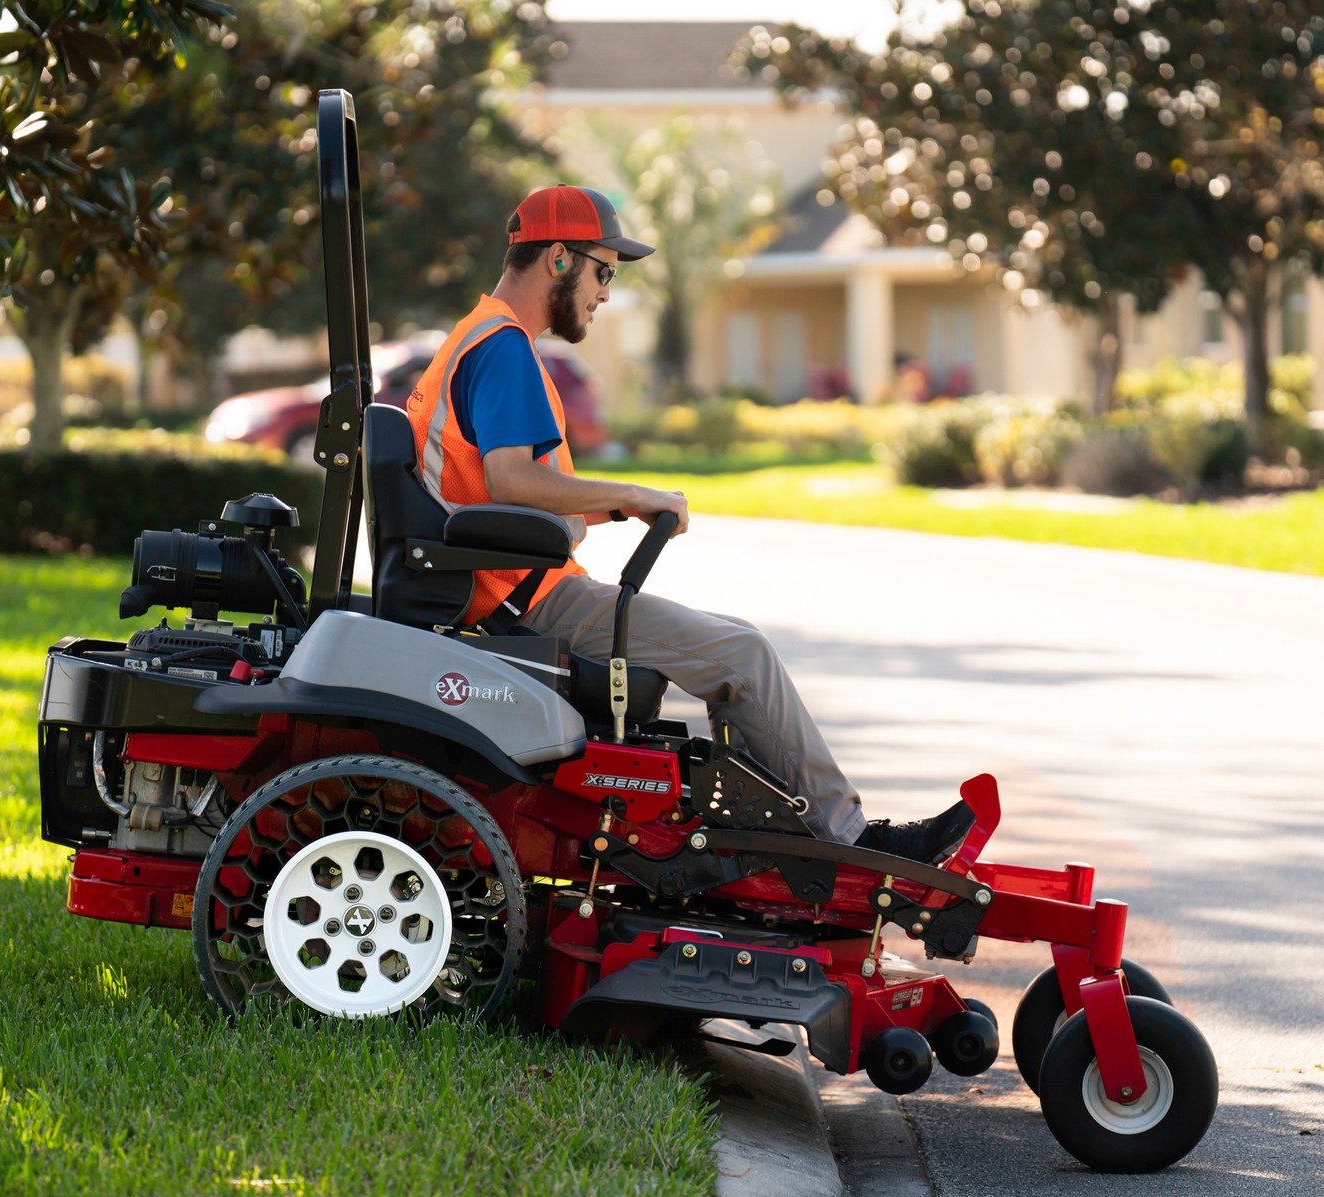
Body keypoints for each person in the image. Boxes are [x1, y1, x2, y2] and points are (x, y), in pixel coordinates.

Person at [404, 185, 963, 863]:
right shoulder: (504, 349)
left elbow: (507, 494)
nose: (605, 293)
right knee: (742, 657)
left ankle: (782, 836)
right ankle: (847, 845)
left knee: (731, 646)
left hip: (502, 586)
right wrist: (633, 490)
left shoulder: (476, 337)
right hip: (525, 598)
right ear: (558, 258)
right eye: (603, 270)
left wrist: (619, 505)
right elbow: (510, 479)